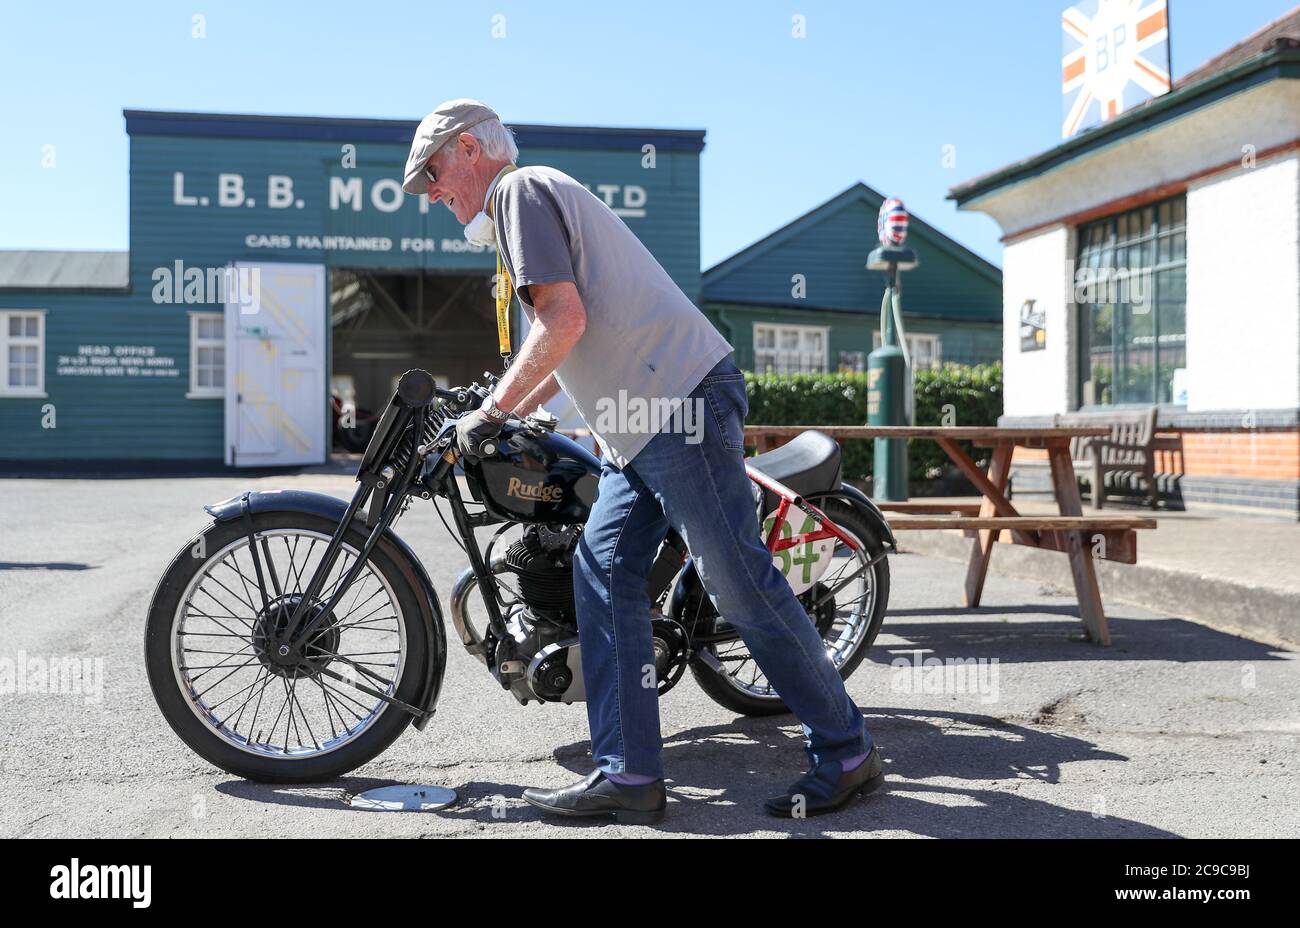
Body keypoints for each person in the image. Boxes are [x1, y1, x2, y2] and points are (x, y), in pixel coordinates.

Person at [403, 99, 884, 823]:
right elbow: (569, 338)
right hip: (643, 425)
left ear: (471, 149)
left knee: (738, 584)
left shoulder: (519, 191)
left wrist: (493, 411)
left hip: (677, 406)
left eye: (433, 173)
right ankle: (628, 774)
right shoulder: (525, 202)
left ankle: (846, 751)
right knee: (601, 571)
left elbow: (564, 320)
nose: (432, 192)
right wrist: (510, 403)